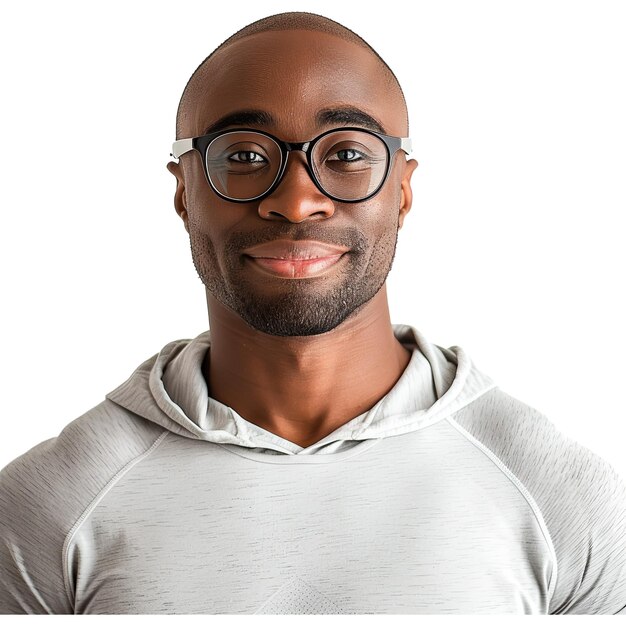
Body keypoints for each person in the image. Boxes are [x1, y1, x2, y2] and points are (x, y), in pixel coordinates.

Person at [1, 11, 625, 616]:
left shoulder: (566, 501)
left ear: (403, 189)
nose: (298, 201)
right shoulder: (46, 509)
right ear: (184, 191)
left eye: (347, 156)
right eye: (243, 156)